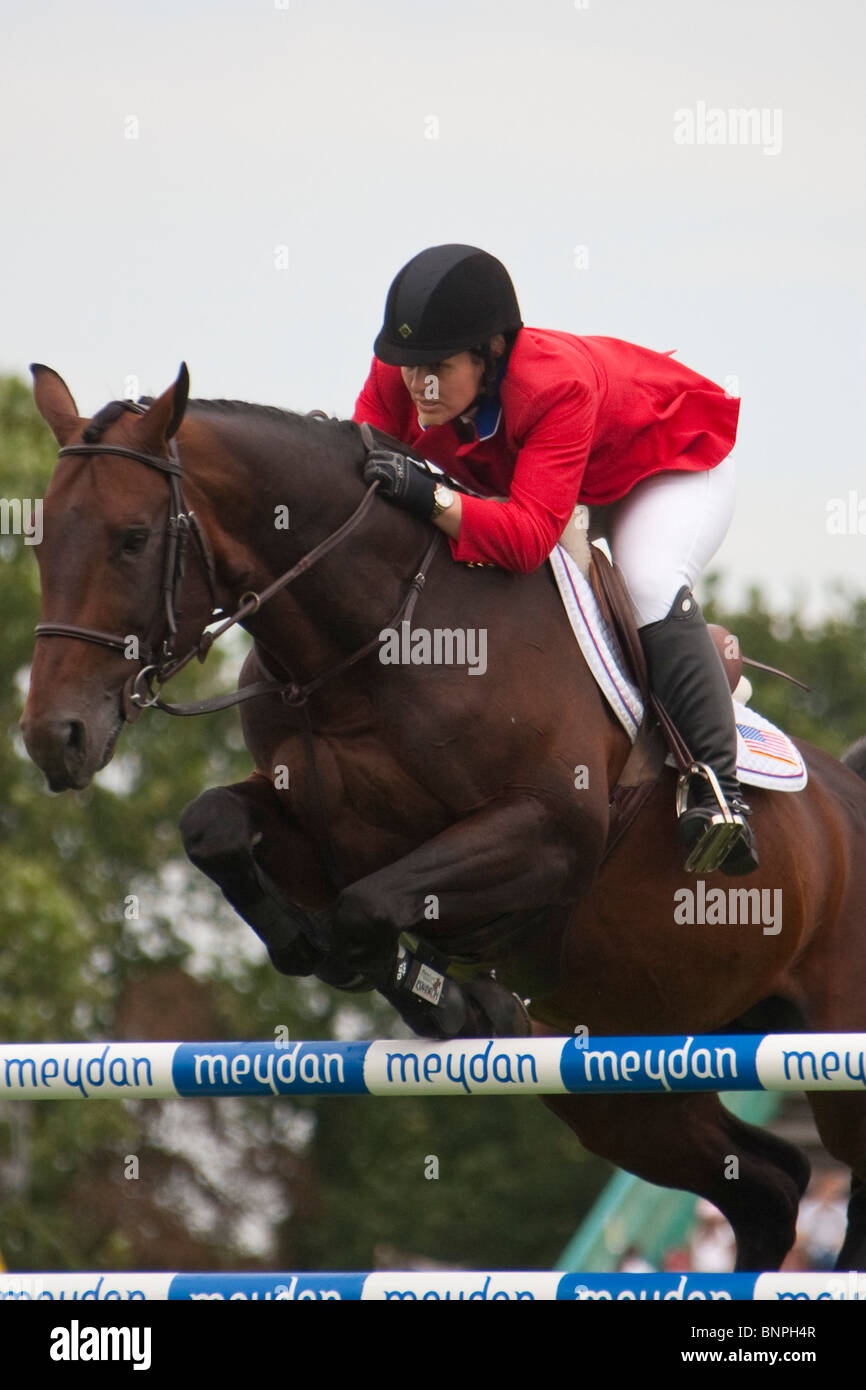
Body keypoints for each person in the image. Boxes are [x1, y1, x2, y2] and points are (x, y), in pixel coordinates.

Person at [352, 244, 757, 876]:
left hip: (668, 466)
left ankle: (717, 794)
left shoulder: (552, 386)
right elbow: (368, 475)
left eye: (436, 366)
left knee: (646, 580)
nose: (417, 383)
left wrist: (429, 494)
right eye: (407, 365)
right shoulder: (399, 373)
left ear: (489, 353)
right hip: (562, 480)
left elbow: (524, 538)